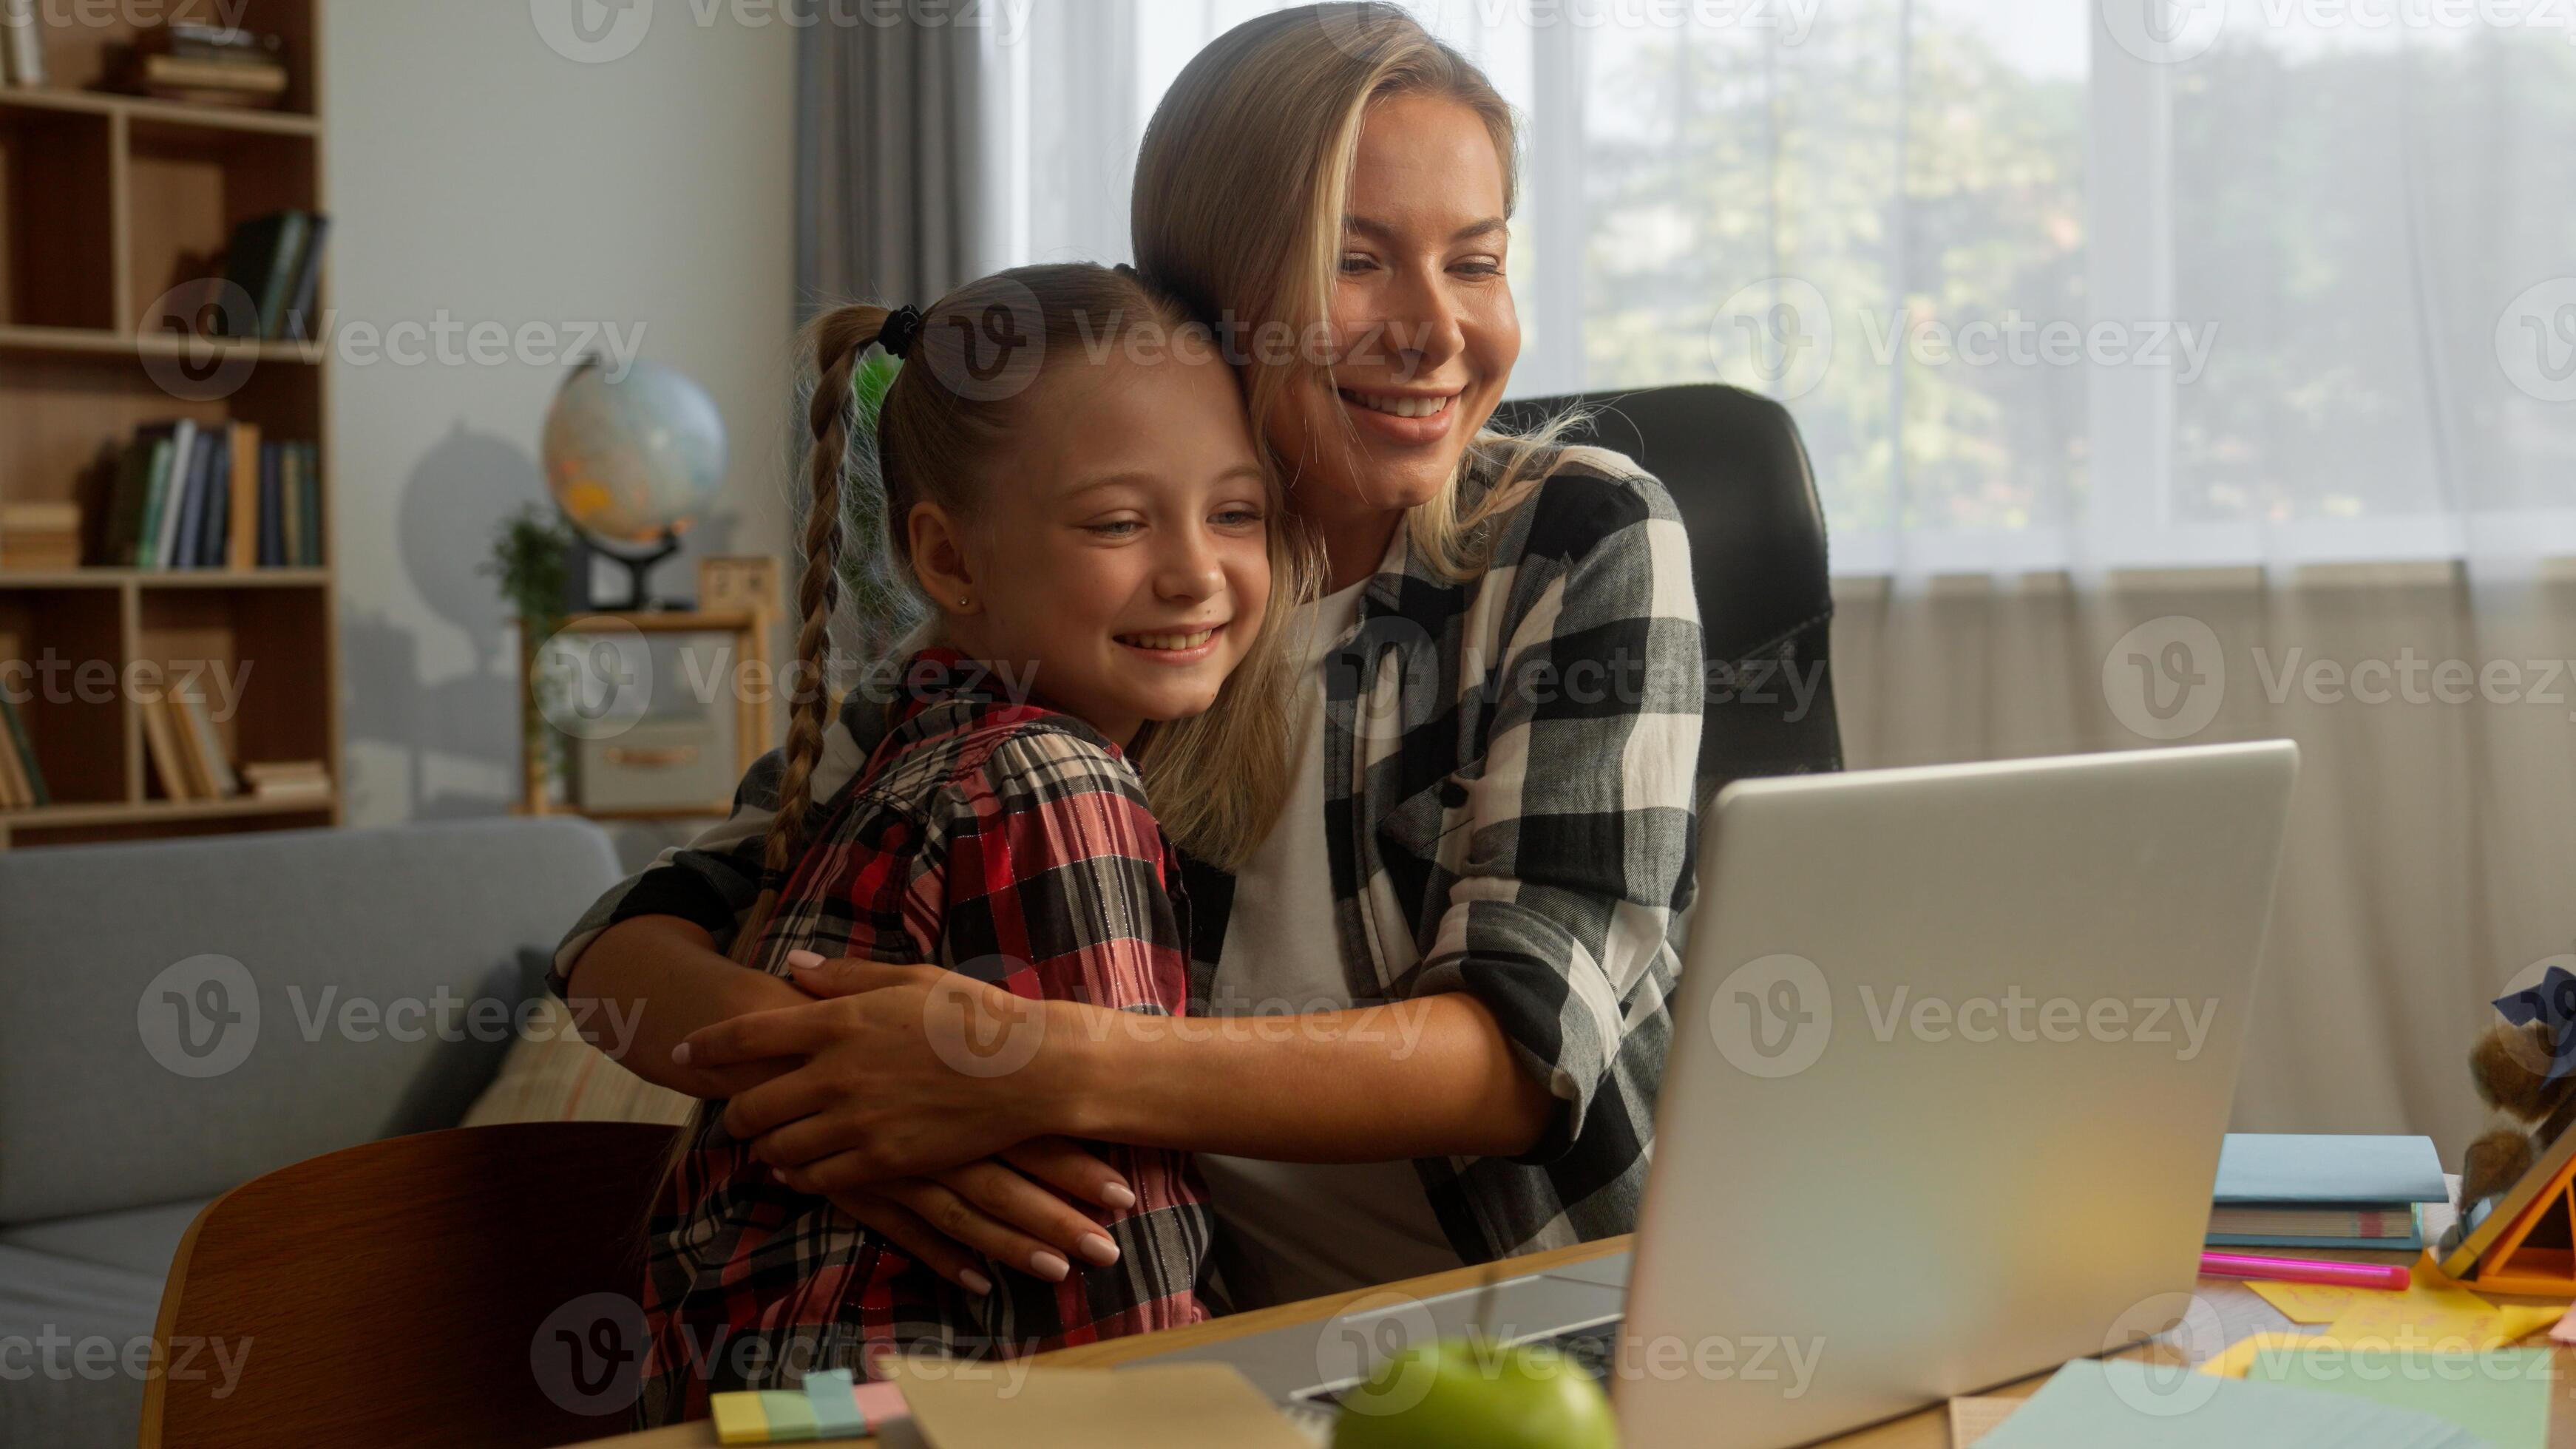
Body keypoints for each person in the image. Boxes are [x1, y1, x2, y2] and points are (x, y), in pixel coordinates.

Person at [562, 1, 1703, 1317]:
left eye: (1478, 261)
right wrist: (828, 1084)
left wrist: (1021, 1065)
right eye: (1358, 259)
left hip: (1568, 1326)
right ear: (1209, 303)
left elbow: (1519, 1057)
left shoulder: (1575, 536)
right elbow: (624, 944)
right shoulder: (1106, 605)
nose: (1435, 330)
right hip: (1223, 1360)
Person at [557, 262, 1305, 1422]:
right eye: (1118, 521)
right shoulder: (1054, 783)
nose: (1197, 570)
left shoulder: (917, 739)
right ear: (949, 559)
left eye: (1237, 512)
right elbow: (1116, 1258)